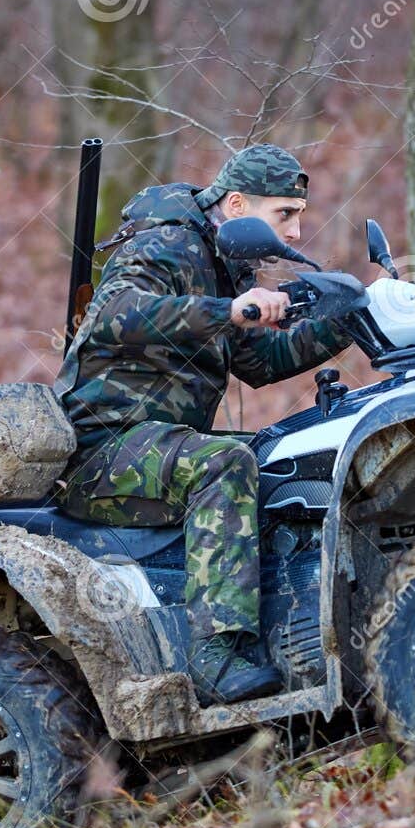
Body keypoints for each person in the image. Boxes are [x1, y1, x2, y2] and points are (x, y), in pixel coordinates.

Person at [53, 143, 351, 704]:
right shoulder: (165, 242)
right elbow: (114, 314)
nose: (294, 231)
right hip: (103, 450)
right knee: (226, 463)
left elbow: (261, 364)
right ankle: (214, 652)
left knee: (283, 454)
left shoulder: (224, 264)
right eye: (284, 214)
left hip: (160, 444)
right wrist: (229, 310)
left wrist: (348, 322)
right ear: (237, 206)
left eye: (298, 216)